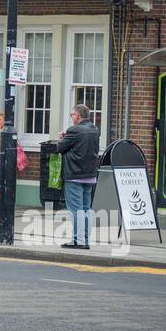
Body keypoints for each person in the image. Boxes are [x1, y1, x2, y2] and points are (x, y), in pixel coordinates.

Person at [58, 104, 102, 249]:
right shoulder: (95, 129)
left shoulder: (74, 130)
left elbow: (61, 148)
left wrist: (62, 138)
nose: (71, 118)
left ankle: (78, 241)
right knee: (86, 208)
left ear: (78, 116)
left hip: (74, 175)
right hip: (89, 174)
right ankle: (86, 239)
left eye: (72, 115)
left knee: (75, 209)